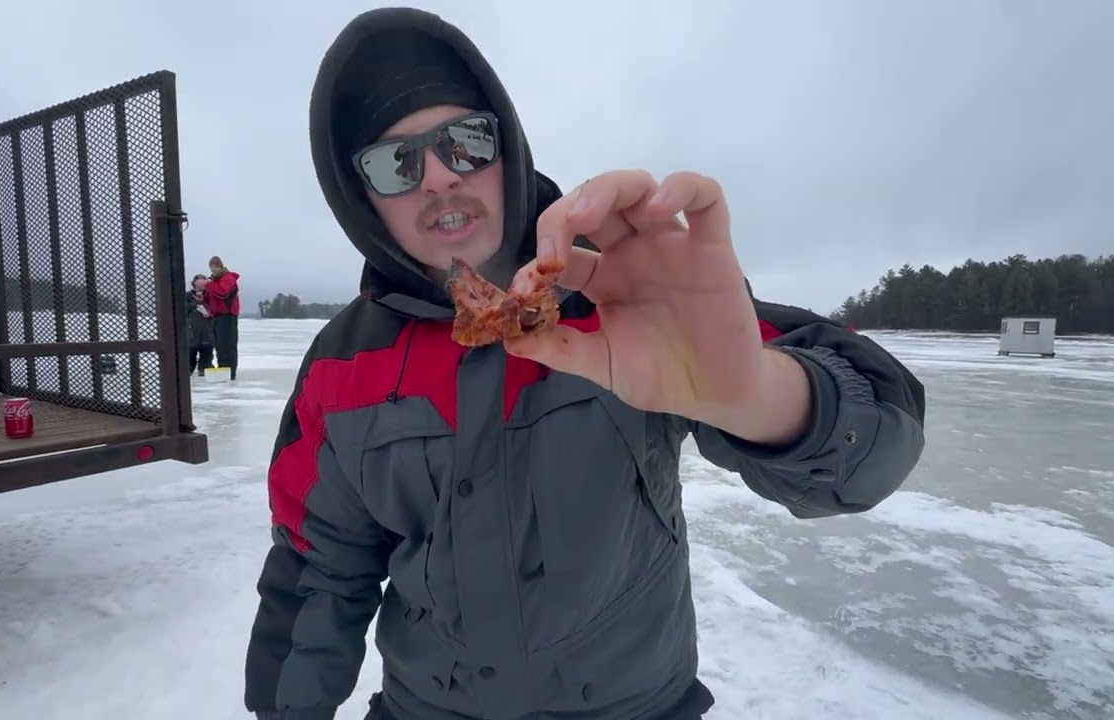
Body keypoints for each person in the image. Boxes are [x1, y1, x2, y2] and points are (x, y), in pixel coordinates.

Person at [244, 8, 927, 720]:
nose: (441, 176)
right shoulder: (341, 365)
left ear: (507, 147)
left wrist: (756, 394)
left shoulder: (632, 294)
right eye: (395, 162)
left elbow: (875, 448)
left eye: (467, 140)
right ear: (362, 199)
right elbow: (318, 572)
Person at [203, 255, 241, 380]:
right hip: (218, 317)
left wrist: (208, 285)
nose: (213, 271)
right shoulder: (215, 281)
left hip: (227, 317)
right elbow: (213, 298)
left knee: (227, 346)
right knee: (219, 345)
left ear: (220, 267)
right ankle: (223, 370)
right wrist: (203, 298)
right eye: (211, 269)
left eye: (215, 269)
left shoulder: (228, 279)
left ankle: (229, 373)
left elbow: (223, 293)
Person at [185, 274, 215, 377]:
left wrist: (208, 311)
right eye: (200, 281)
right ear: (194, 284)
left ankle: (204, 369)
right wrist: (195, 304)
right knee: (190, 354)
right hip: (192, 331)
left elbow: (216, 308)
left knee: (206, 353)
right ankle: (188, 372)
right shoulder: (187, 296)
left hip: (208, 330)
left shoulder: (210, 296)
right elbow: (181, 309)